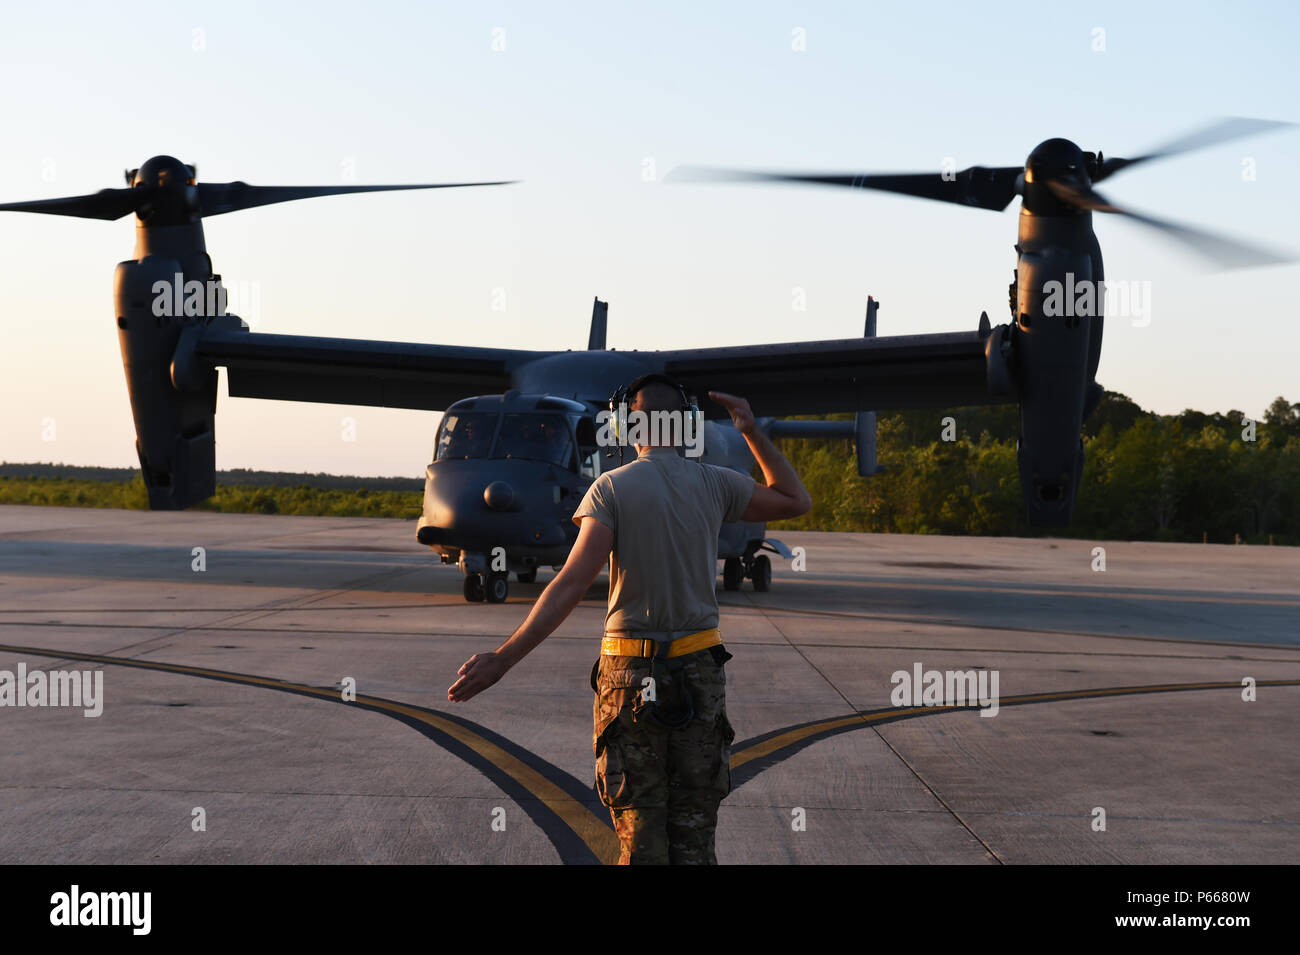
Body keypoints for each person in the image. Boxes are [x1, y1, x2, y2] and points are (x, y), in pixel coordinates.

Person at [447, 376, 811, 864]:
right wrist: (750, 430)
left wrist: (503, 658)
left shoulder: (611, 489)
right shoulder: (718, 483)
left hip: (630, 676)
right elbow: (795, 500)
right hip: (700, 671)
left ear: (624, 425)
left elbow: (570, 584)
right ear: (684, 425)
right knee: (695, 833)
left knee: (640, 837)